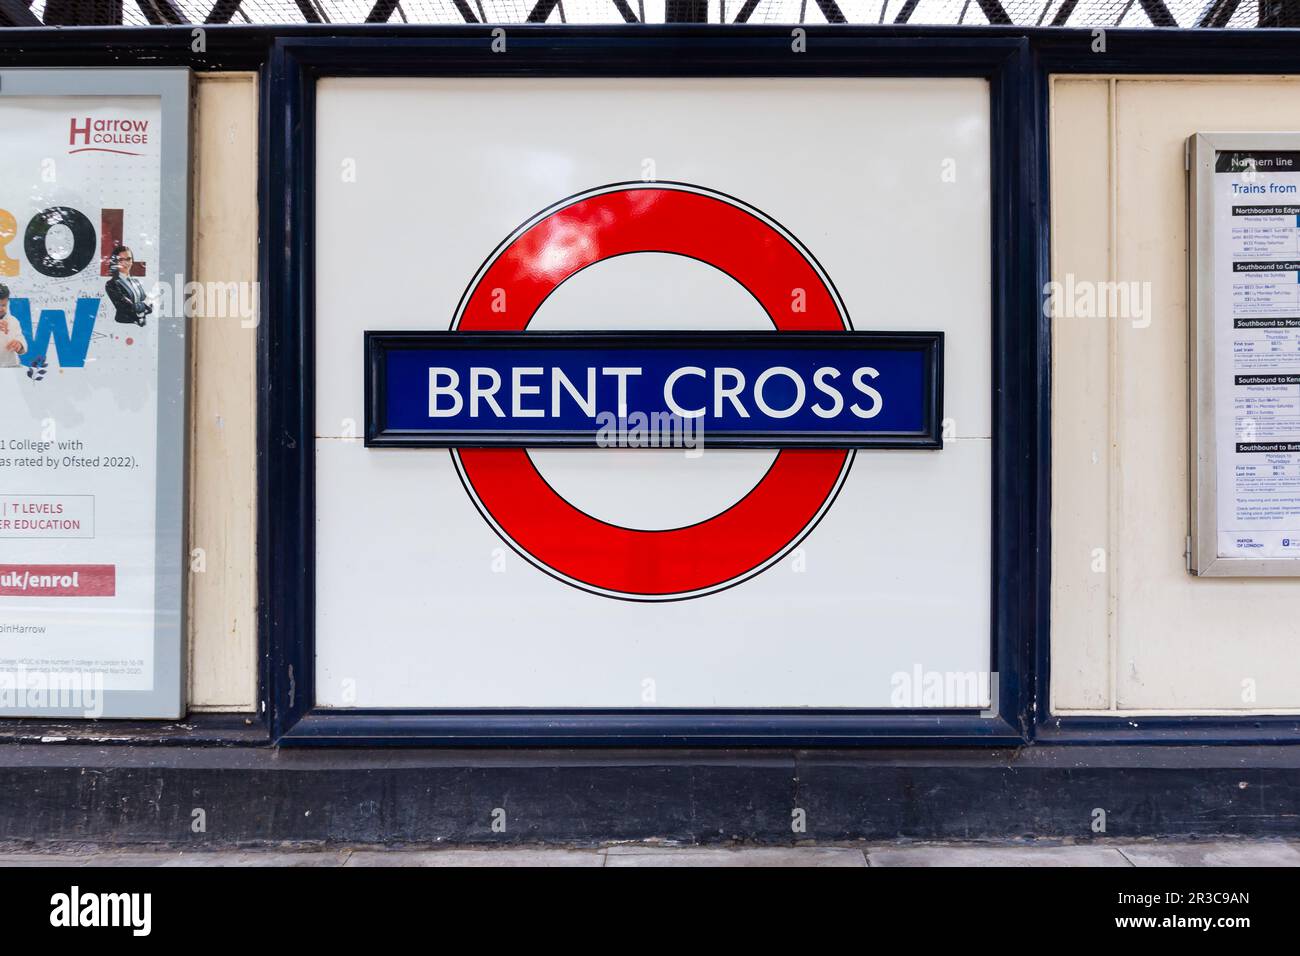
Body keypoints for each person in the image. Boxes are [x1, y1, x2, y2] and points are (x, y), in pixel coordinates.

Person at [105, 246, 151, 327]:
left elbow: (150, 305)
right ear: (115, 262)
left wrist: (143, 305)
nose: (126, 263)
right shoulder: (111, 284)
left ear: (132, 261)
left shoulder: (136, 281)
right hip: (123, 325)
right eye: (121, 260)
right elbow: (125, 307)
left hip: (141, 325)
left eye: (128, 259)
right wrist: (144, 305)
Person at [0, 284, 27, 369]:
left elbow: (20, 338)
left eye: (3, 305)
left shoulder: (13, 321)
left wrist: (19, 345)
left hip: (10, 367)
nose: (1, 309)